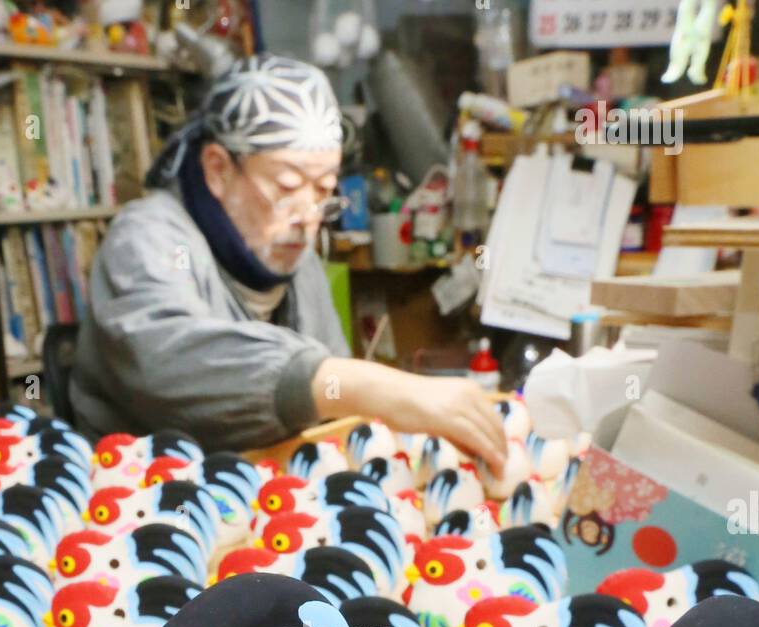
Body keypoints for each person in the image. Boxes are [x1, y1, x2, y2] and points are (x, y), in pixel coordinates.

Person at [72, 53, 507, 470]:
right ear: (218, 170)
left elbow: (330, 410)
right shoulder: (147, 237)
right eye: (286, 185)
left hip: (268, 494)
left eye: (322, 190)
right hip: (141, 501)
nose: (307, 216)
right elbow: (163, 360)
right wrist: (369, 387)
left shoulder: (292, 252)